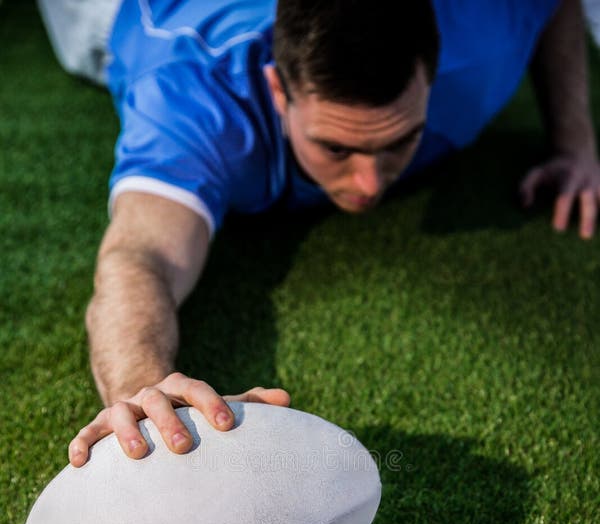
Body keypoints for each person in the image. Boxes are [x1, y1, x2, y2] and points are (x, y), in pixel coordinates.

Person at [38, 1, 600, 467]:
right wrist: (143, 388)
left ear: (432, 76)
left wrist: (574, 141)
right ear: (278, 91)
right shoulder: (195, 98)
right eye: (337, 147)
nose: (369, 183)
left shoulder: (483, 31)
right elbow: (141, 256)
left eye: (400, 140)